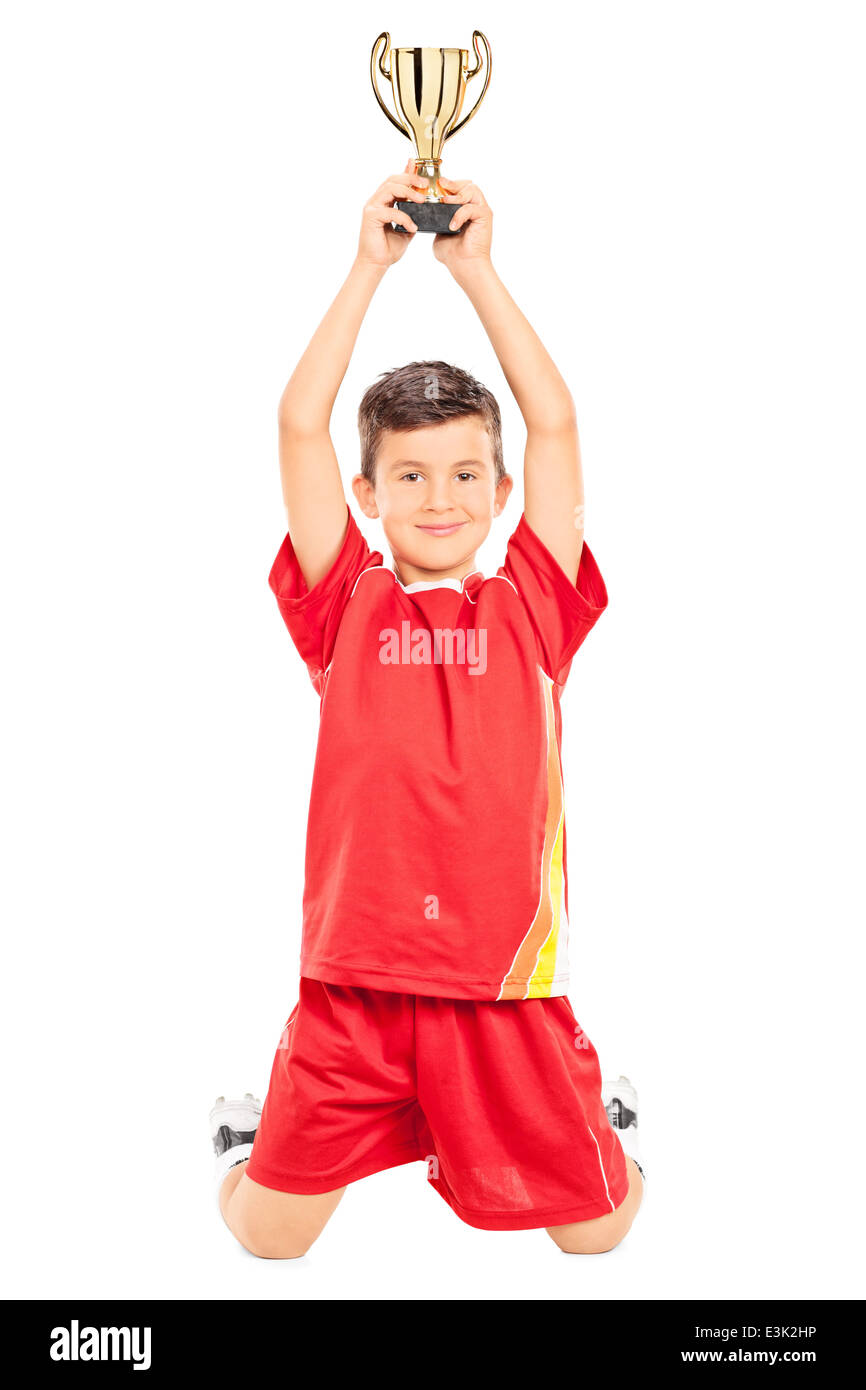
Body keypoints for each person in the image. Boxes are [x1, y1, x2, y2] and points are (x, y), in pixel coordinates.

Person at [209, 161, 645, 1257]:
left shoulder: (534, 606)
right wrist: (368, 267)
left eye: (462, 475)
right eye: (408, 477)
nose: (438, 497)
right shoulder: (342, 600)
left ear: (498, 494)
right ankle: (241, 1142)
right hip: (353, 982)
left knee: (591, 1241)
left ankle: (612, 1123)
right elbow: (301, 426)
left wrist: (475, 273)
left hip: (499, 987)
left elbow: (553, 424)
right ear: (369, 494)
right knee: (267, 1239)